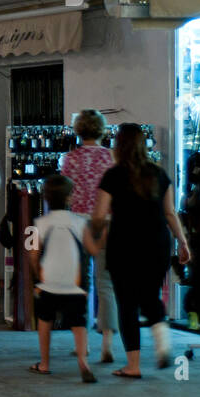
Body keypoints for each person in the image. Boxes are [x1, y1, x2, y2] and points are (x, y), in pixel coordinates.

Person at [90, 123, 190, 378]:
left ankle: (133, 366)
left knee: (127, 304)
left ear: (119, 145)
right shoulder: (158, 173)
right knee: (149, 296)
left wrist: (94, 235)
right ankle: (162, 342)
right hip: (156, 244)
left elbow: (100, 215)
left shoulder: (113, 175)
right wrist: (183, 242)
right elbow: (169, 212)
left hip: (124, 244)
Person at [58, 108, 118, 362]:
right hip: (106, 222)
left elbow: (64, 193)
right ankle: (107, 343)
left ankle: (81, 343)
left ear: (78, 130)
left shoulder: (70, 159)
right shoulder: (111, 158)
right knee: (106, 283)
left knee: (80, 283)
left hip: (79, 223)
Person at [29, 174, 99, 383]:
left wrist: (36, 280)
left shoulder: (39, 223)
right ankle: (83, 363)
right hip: (74, 284)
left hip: (48, 282)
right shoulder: (80, 222)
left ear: (46, 198)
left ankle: (44, 363)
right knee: (78, 324)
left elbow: (32, 254)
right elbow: (92, 250)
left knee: (45, 321)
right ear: (70, 197)